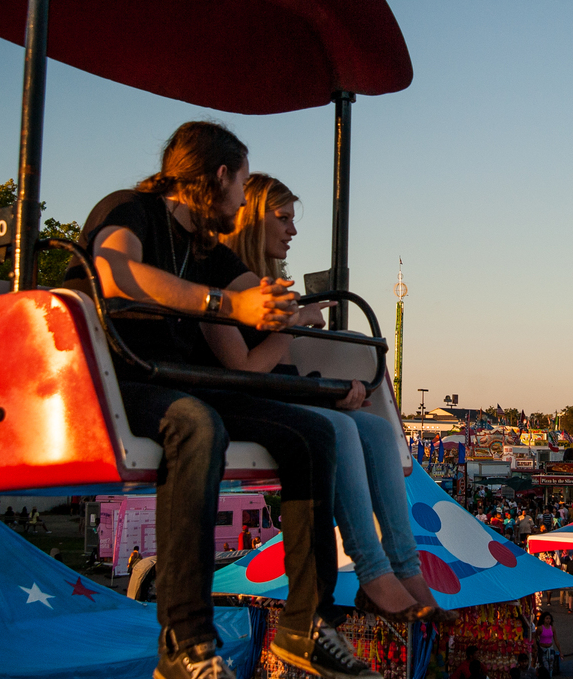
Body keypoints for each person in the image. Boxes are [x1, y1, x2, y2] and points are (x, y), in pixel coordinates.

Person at [67, 121, 366, 679]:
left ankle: (306, 624)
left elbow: (255, 299)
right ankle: (186, 642)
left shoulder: (206, 249)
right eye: (242, 184)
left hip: (176, 378)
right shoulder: (132, 209)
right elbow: (113, 273)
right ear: (220, 175)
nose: (243, 198)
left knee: (313, 434)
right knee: (197, 425)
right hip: (113, 378)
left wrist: (292, 316)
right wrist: (225, 306)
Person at [213, 173, 448, 624]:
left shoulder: (265, 284)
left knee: (376, 428)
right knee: (341, 426)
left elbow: (279, 373)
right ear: (249, 220)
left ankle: (406, 567)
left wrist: (328, 390)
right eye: (282, 218)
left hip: (281, 396)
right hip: (248, 401)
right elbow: (245, 373)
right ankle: (374, 573)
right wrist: (290, 326)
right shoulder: (228, 282)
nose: (293, 231)